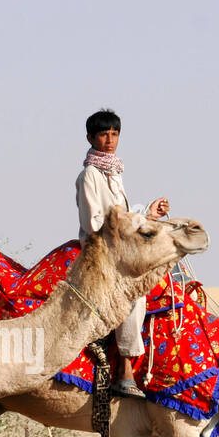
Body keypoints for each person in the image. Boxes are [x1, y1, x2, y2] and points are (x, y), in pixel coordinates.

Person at [75, 108, 170, 398]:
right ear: (91, 137)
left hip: (120, 248)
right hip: (101, 251)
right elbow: (93, 222)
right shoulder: (90, 175)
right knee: (134, 294)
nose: (109, 139)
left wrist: (147, 214)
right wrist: (132, 225)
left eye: (114, 134)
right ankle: (126, 368)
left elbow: (123, 215)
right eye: (104, 134)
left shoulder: (114, 172)